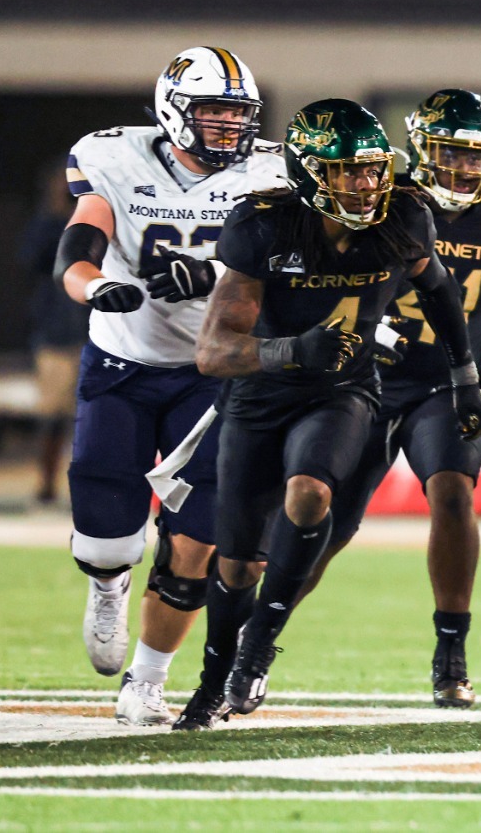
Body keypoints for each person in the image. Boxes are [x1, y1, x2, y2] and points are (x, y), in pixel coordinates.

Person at [178, 98, 481, 731]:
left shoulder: (404, 216)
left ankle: (260, 640)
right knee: (234, 563)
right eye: (346, 171)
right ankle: (210, 684)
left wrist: (464, 375)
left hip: (342, 389)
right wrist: (291, 348)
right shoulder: (264, 225)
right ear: (310, 170)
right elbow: (213, 352)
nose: (366, 184)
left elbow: (440, 291)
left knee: (312, 494)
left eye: (372, 169)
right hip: (260, 395)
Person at [307, 89, 481, 708]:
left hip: (449, 381)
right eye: (450, 154)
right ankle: (255, 638)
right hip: (365, 378)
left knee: (453, 495)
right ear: (419, 151)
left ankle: (451, 652)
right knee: (329, 521)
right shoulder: (379, 201)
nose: (463, 170)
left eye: (474, 157)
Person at [52, 47, 283, 725]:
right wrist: (99, 288)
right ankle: (109, 582)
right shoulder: (114, 159)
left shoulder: (270, 173)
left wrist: (213, 279)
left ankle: (148, 679)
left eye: (236, 113)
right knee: (106, 539)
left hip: (216, 374)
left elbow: (291, 270)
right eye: (211, 109)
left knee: (198, 539)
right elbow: (77, 250)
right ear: (173, 109)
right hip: (123, 364)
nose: (225, 125)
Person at [21, 164, 90, 505]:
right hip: (56, 335)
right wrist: (61, 214)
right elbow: (30, 259)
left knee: (98, 416)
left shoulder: (98, 217)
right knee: (52, 416)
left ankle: (92, 486)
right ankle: (46, 484)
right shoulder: (45, 225)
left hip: (96, 334)